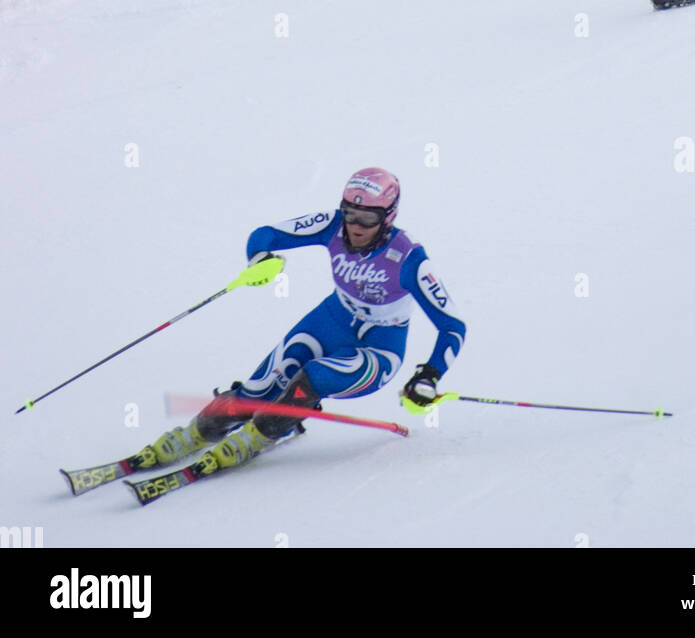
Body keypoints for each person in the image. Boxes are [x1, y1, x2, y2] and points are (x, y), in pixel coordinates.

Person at [130, 169, 465, 475]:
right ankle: (197, 432)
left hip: (379, 348)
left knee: (313, 379)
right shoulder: (332, 225)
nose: (356, 225)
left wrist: (429, 375)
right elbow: (266, 234)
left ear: (388, 216)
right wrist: (261, 258)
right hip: (331, 321)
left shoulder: (408, 257)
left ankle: (260, 435)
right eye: (350, 213)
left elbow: (453, 326)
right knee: (258, 389)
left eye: (367, 217)